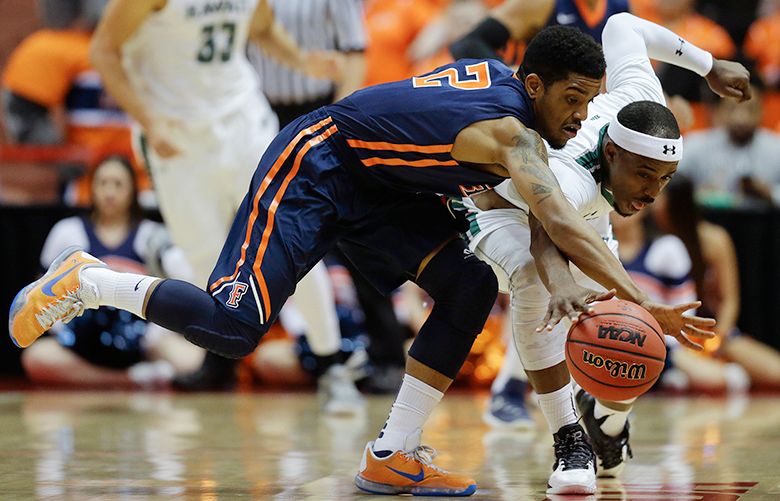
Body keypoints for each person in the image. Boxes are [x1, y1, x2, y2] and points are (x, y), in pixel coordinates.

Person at [11, 25, 714, 496]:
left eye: (589, 100)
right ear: (534, 86)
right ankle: (91, 280)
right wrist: (643, 303)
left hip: (382, 188)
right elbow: (556, 219)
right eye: (573, 99)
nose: (581, 115)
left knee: (469, 284)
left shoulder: (514, 92)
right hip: (316, 166)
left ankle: (391, 453)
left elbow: (536, 216)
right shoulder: (512, 134)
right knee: (231, 328)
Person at [456, 13, 746, 494]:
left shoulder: (642, 97)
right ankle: (562, 435)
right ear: (612, 154)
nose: (652, 193)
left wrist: (708, 65)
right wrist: (571, 284)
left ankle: (607, 426)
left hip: (582, 220)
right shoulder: (570, 176)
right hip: (495, 214)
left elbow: (623, 26)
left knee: (628, 337)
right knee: (536, 281)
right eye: (644, 176)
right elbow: (545, 234)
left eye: (665, 179)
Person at [89, 0, 363, 411]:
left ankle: (331, 365)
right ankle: (222, 359)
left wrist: (301, 61)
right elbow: (103, 51)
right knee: (207, 262)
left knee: (292, 242)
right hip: (177, 139)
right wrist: (149, 120)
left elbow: (262, 27)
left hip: (244, 123)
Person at [21, 156, 202, 387]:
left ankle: (134, 373)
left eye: (118, 184)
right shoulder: (68, 232)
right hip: (81, 343)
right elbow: (42, 292)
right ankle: (133, 379)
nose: (109, 192)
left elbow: (178, 291)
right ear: (92, 187)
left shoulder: (152, 236)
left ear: (133, 190)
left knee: (196, 362)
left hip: (141, 341)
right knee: (36, 358)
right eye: (103, 183)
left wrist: (154, 335)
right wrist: (66, 332)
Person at [647, 176, 780, 390]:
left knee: (775, 372)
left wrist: (717, 340)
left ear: (679, 203)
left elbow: (730, 300)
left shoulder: (714, 239)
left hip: (712, 330)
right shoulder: (651, 239)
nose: (653, 203)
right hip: (669, 336)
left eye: (660, 197)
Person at [679, 83, 780, 207]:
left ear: (762, 111)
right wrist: (692, 194)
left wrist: (769, 193)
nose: (741, 118)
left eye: (750, 109)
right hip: (709, 216)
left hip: (765, 217)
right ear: (721, 110)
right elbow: (671, 182)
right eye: (732, 109)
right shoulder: (697, 145)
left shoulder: (776, 149)